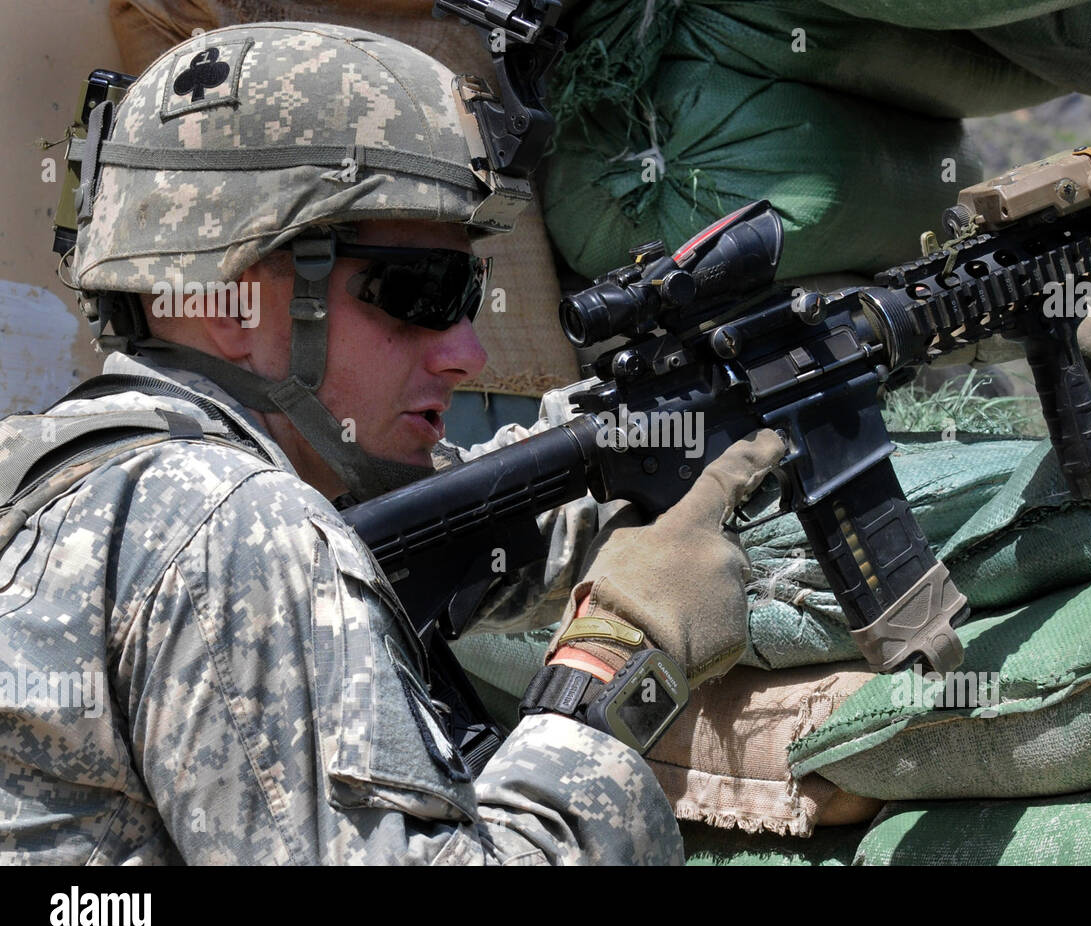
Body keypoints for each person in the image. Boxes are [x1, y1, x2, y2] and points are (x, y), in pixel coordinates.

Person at [0, 21, 783, 864]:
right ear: (234, 299)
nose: (468, 353)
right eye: (422, 290)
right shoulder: (230, 524)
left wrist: (645, 447)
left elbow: (443, 524)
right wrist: (612, 665)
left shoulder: (72, 479)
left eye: (470, 289)